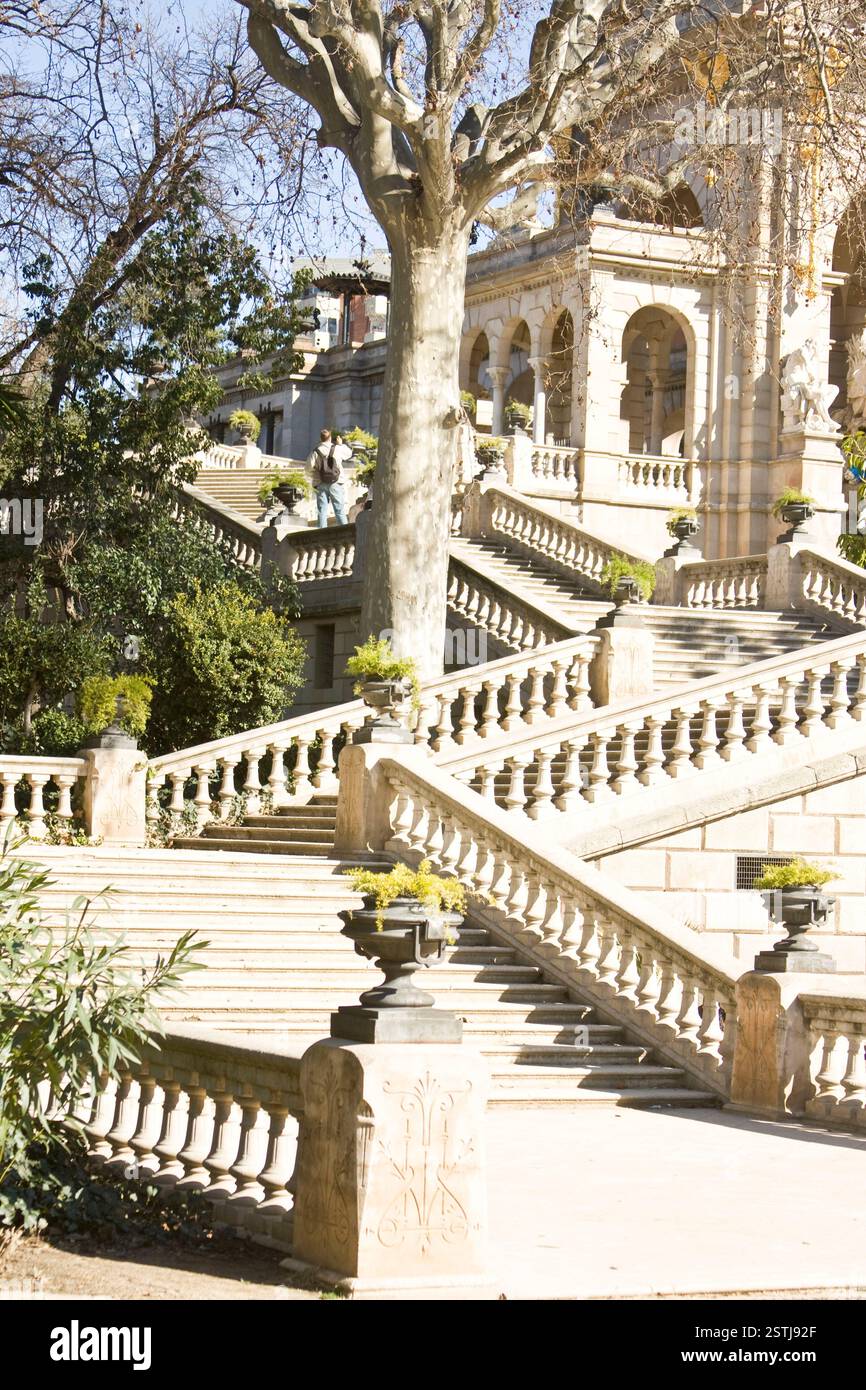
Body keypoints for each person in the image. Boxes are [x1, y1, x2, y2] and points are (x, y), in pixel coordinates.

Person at [308, 428, 352, 528]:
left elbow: (308, 468)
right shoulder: (337, 448)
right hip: (336, 482)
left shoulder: (315, 452)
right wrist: (340, 444)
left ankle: (321, 532)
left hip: (320, 483)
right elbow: (349, 454)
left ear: (321, 438)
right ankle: (344, 531)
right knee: (339, 509)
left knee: (321, 510)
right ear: (330, 437)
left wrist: (316, 477)